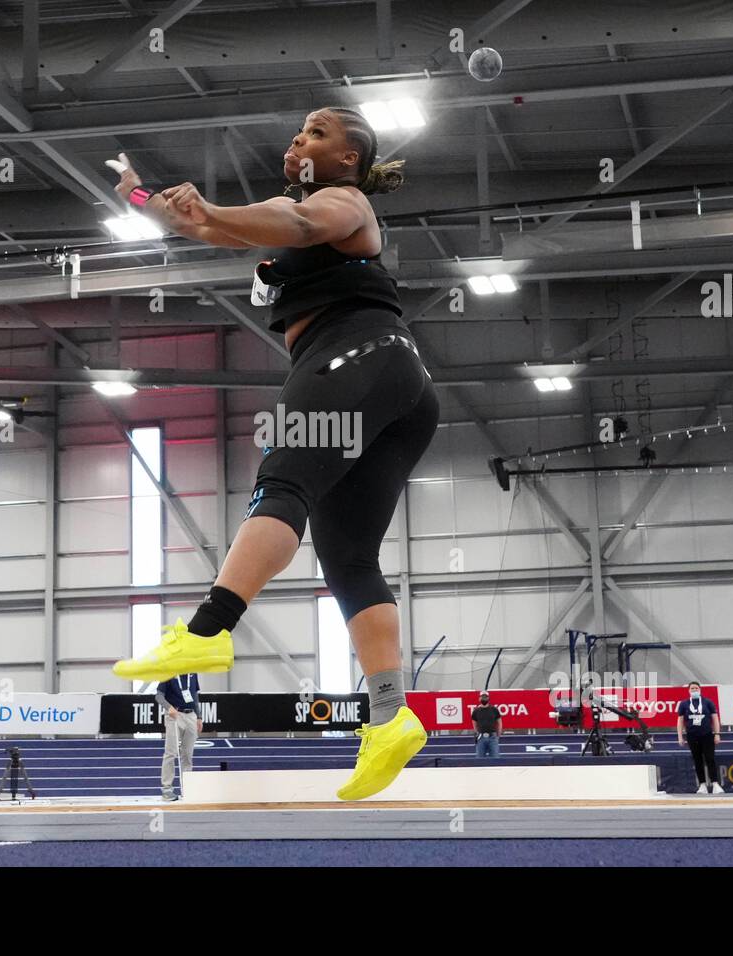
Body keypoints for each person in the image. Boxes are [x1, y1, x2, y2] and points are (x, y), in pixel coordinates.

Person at [108, 107, 438, 801]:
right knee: (348, 556)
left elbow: (299, 228)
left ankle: (209, 630)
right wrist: (142, 198)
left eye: (316, 134)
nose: (298, 142)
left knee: (284, 480)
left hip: (358, 354)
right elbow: (204, 225)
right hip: (395, 385)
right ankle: (388, 716)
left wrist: (206, 206)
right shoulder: (286, 203)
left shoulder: (342, 202)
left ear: (349, 160)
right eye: (296, 134)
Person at [156, 674, 203, 801]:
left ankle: (187, 787)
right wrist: (169, 707)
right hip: (174, 715)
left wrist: (198, 716)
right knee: (171, 752)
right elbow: (158, 696)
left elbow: (194, 695)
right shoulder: (170, 673)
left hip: (191, 716)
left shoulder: (192, 674)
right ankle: (167, 789)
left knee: (187, 754)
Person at [677, 681, 724, 793]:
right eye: (692, 688)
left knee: (710, 759)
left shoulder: (708, 702)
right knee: (697, 760)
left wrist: (717, 734)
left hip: (707, 735)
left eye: (696, 688)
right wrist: (680, 736)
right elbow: (680, 721)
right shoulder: (684, 704)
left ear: (700, 689)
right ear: (688, 690)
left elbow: (715, 719)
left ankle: (715, 784)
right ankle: (702, 785)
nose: (694, 690)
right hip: (692, 736)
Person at [470, 691, 503, 757]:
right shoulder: (476, 711)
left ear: (488, 698)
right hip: (481, 737)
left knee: (495, 758)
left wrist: (498, 733)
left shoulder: (494, 709)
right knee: (479, 759)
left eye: (485, 697)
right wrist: (476, 732)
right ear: (479, 698)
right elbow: (474, 722)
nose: (484, 699)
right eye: (482, 697)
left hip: (492, 737)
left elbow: (499, 722)